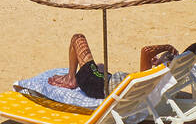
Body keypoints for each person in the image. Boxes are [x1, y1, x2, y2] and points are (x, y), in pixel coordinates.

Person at [49, 34, 181, 99]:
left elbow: (146, 50)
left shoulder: (146, 75)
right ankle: (78, 76)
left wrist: (167, 47)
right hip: (106, 83)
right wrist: (157, 63)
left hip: (96, 84)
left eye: (162, 56)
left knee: (78, 38)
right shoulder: (154, 78)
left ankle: (71, 78)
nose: (158, 57)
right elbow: (149, 55)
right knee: (100, 65)